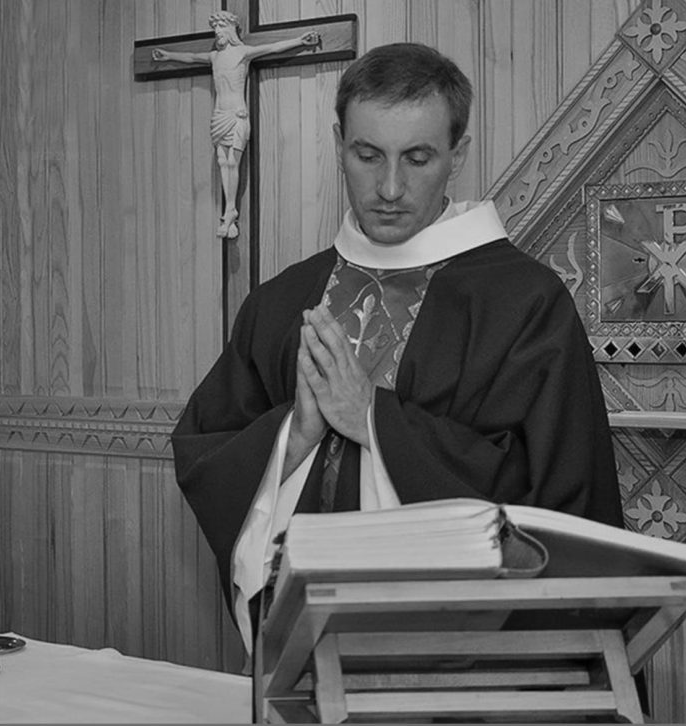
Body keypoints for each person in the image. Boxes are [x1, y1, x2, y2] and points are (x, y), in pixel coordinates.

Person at [171, 42, 623, 653]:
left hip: (467, 667)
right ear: (339, 145)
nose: (389, 187)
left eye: (417, 158)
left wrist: (372, 420)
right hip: (303, 649)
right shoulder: (282, 301)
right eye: (367, 155)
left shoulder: (525, 304)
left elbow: (560, 498)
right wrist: (292, 438)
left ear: (457, 154)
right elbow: (207, 448)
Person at [153, 12, 320, 238]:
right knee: (222, 161)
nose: (218, 36)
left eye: (221, 31)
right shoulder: (214, 57)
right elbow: (191, 57)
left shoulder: (242, 53)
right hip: (219, 115)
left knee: (233, 162)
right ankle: (229, 209)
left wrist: (300, 41)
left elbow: (273, 48)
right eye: (216, 33)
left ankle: (230, 211)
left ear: (230, 31)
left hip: (236, 114)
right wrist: (168, 56)